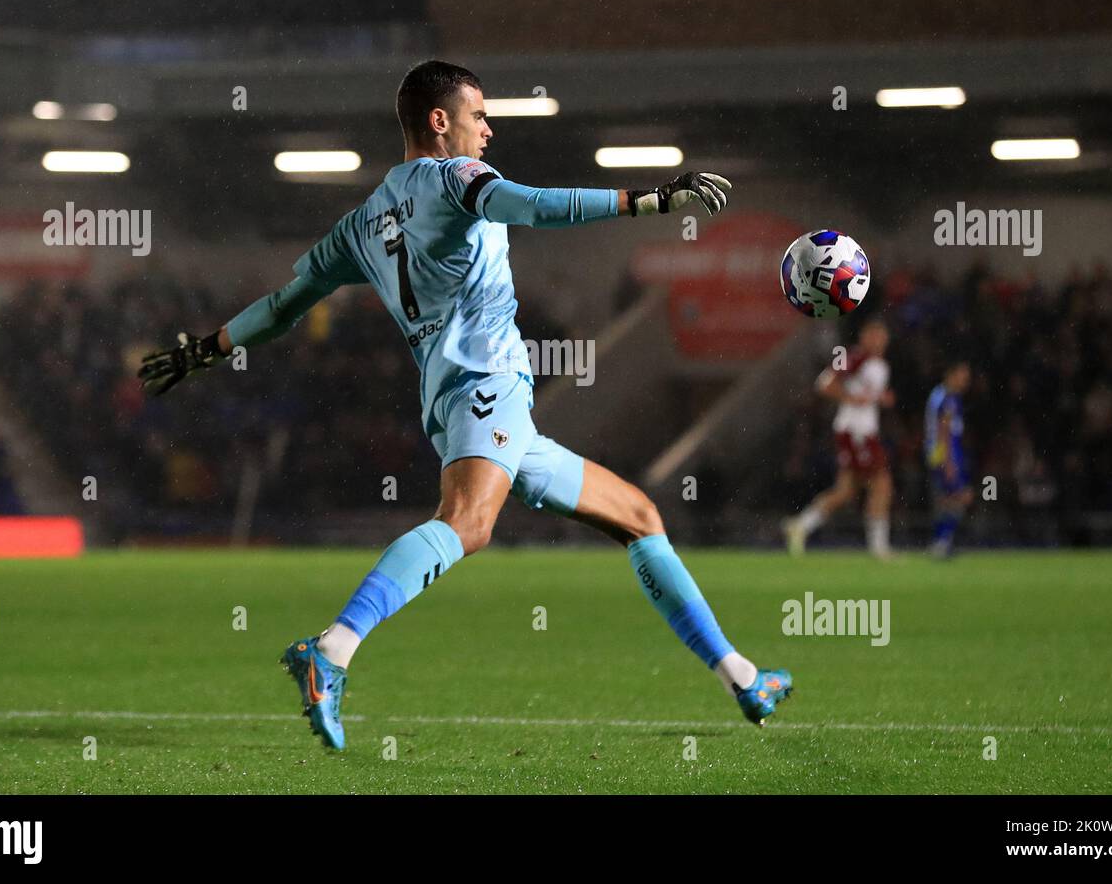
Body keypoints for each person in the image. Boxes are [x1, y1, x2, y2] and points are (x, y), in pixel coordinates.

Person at [138, 60, 791, 749]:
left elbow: (280, 308)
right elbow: (535, 206)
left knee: (636, 514)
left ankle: (742, 677)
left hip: (456, 402)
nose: (490, 127)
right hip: (489, 388)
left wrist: (204, 348)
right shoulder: (458, 180)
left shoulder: (360, 224)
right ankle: (330, 650)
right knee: (467, 524)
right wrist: (651, 203)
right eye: (478, 115)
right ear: (439, 122)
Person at [783, 319, 895, 558]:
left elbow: (865, 393)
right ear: (865, 337)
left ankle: (800, 526)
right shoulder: (855, 358)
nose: (879, 341)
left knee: (845, 491)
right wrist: (851, 399)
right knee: (882, 484)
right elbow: (825, 383)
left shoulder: (878, 364)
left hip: (861, 431)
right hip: (856, 432)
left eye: (882, 336)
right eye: (874, 335)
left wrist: (879, 398)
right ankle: (879, 548)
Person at [925, 361, 973, 558]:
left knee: (946, 499)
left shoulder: (938, 395)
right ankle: (942, 542)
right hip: (947, 452)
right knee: (960, 497)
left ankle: (941, 542)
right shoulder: (948, 398)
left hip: (938, 452)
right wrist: (949, 461)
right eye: (962, 376)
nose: (965, 381)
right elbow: (944, 429)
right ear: (951, 374)